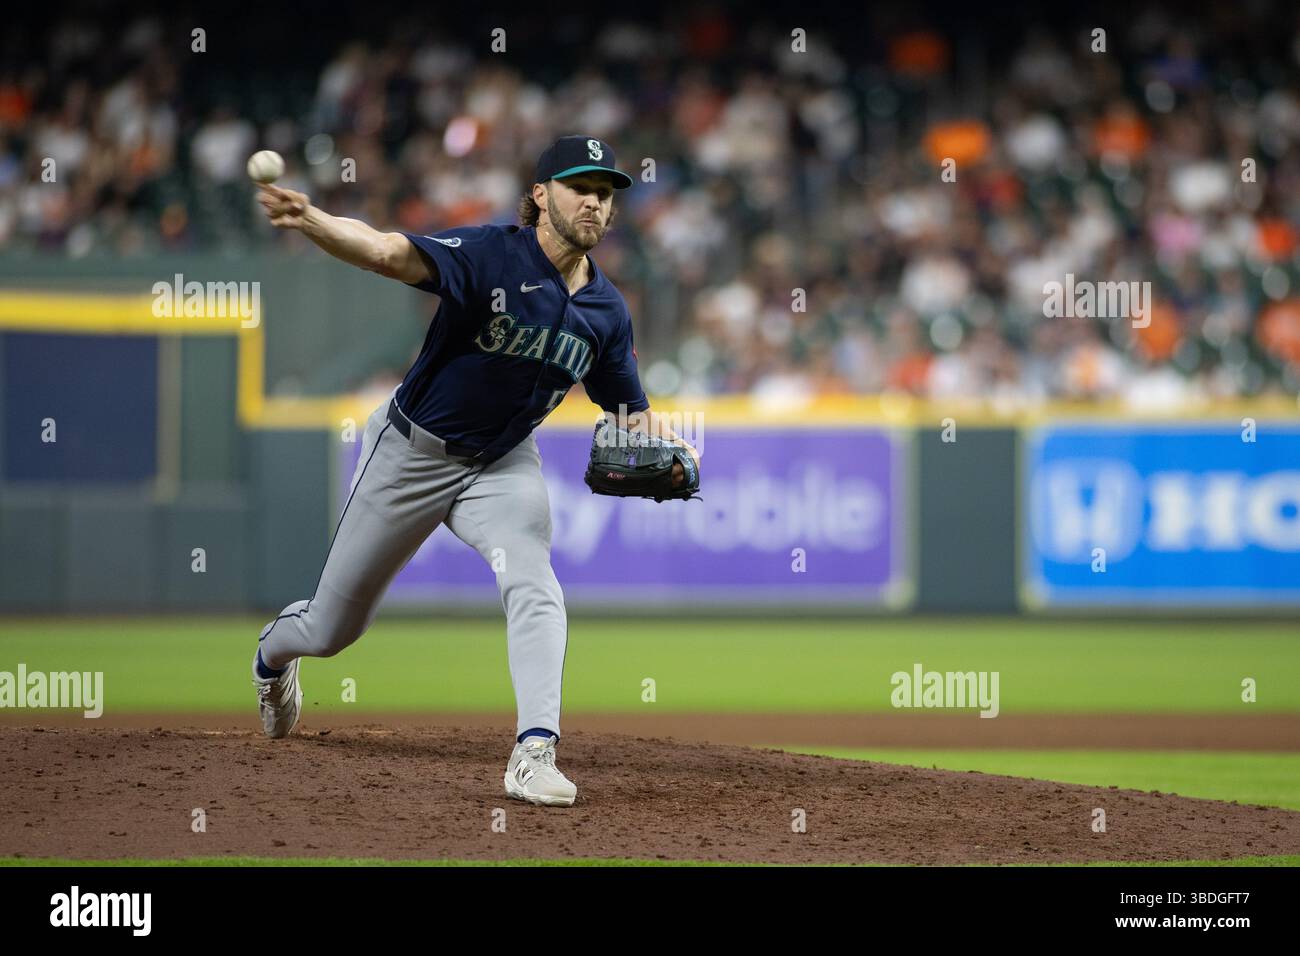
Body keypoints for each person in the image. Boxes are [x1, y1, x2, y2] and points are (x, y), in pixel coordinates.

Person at [250, 136, 698, 807]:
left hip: (504, 462)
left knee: (534, 579)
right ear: (542, 195)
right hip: (411, 453)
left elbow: (629, 408)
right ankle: (271, 658)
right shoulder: (492, 255)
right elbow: (386, 252)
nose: (595, 203)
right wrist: (313, 220)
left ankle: (534, 751)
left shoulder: (606, 309)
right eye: (581, 187)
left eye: (606, 194)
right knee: (330, 631)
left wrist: (680, 455)